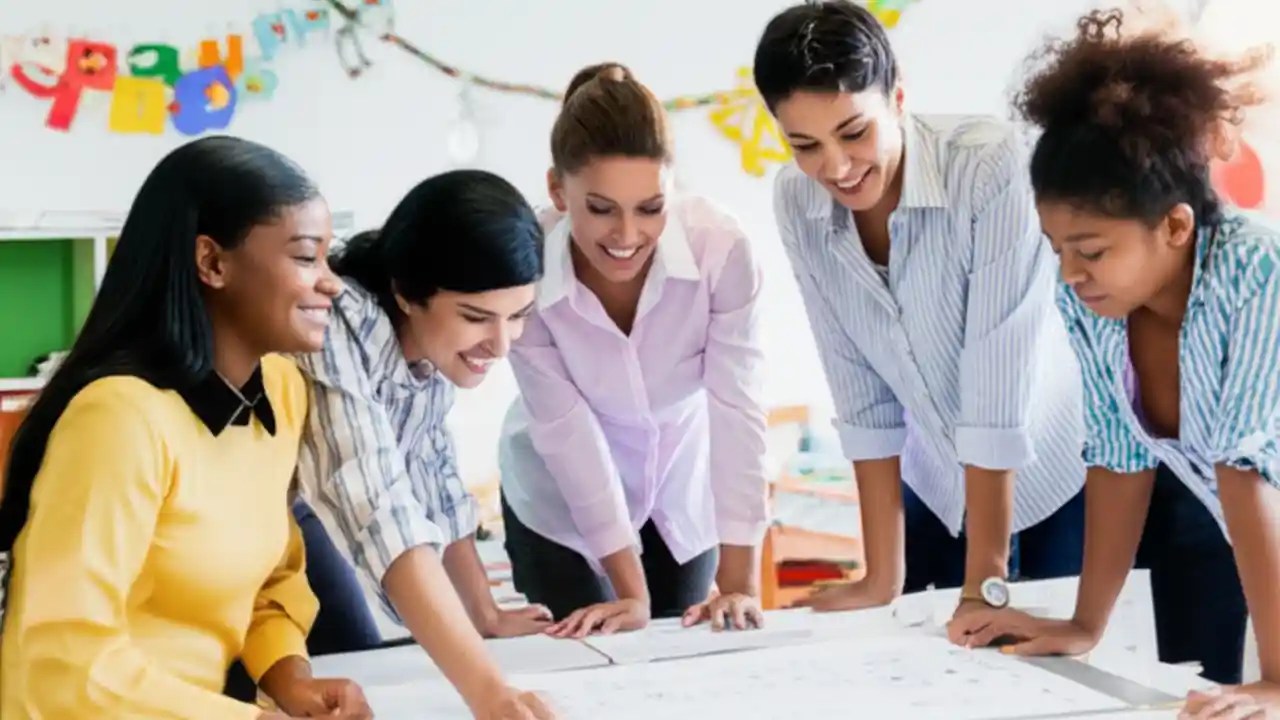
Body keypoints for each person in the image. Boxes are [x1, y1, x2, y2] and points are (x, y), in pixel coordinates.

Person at [949, 9, 1280, 716]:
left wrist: (1278, 677)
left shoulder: (1257, 272)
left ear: (1175, 225)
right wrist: (1083, 625)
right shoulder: (1094, 306)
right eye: (1057, 248)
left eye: (1092, 250)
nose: (1070, 272)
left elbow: (1244, 468)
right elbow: (1118, 459)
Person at [0, 136, 371, 719]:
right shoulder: (119, 417)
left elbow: (268, 582)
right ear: (212, 263)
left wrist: (291, 680)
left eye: (329, 257)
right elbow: (65, 661)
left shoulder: (280, 389)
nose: (332, 283)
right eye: (306, 257)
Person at [752, 0, 1088, 632]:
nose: (836, 167)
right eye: (805, 145)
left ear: (898, 97)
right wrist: (881, 577)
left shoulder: (988, 165)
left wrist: (984, 583)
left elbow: (997, 387)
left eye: (855, 132)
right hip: (934, 486)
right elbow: (857, 386)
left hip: (1054, 478)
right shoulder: (797, 201)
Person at [497, 62, 770, 637]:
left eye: (650, 208)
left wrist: (741, 584)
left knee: (685, 653)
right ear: (558, 191)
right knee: (585, 656)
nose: (626, 236)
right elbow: (566, 431)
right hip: (560, 502)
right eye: (601, 209)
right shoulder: (528, 265)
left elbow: (736, 408)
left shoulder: (721, 250)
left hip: (678, 490)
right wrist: (629, 592)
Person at [292, 169, 556, 719]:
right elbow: (377, 505)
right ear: (408, 293)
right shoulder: (338, 323)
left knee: (361, 663)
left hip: (295, 523)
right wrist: (490, 692)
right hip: (246, 524)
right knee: (349, 661)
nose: (501, 345)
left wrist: (485, 614)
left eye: (518, 317)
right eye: (476, 317)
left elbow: (436, 482)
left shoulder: (429, 357)